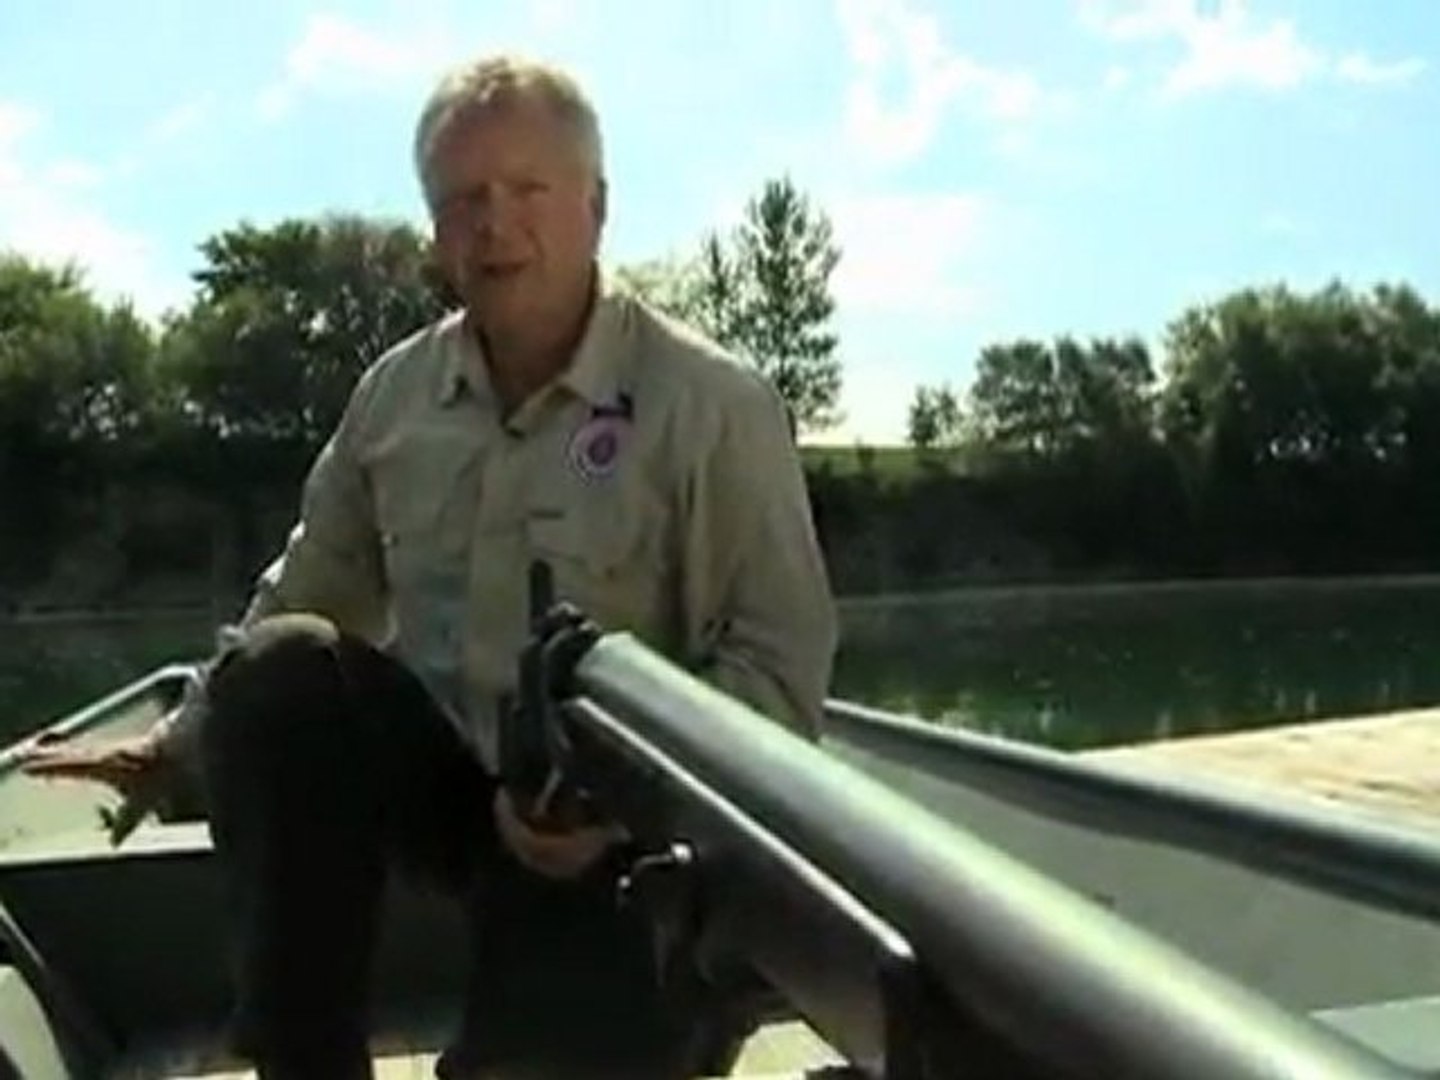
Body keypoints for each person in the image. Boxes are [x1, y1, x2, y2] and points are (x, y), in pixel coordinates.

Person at [19, 52, 838, 1080]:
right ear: (437, 231)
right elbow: (309, 594)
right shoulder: (395, 398)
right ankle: (299, 1057)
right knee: (278, 673)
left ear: (596, 206)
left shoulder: (714, 406)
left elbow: (778, 671)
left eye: (528, 190)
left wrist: (609, 804)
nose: (494, 224)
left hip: (631, 837)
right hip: (459, 801)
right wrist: (185, 739)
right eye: (462, 200)